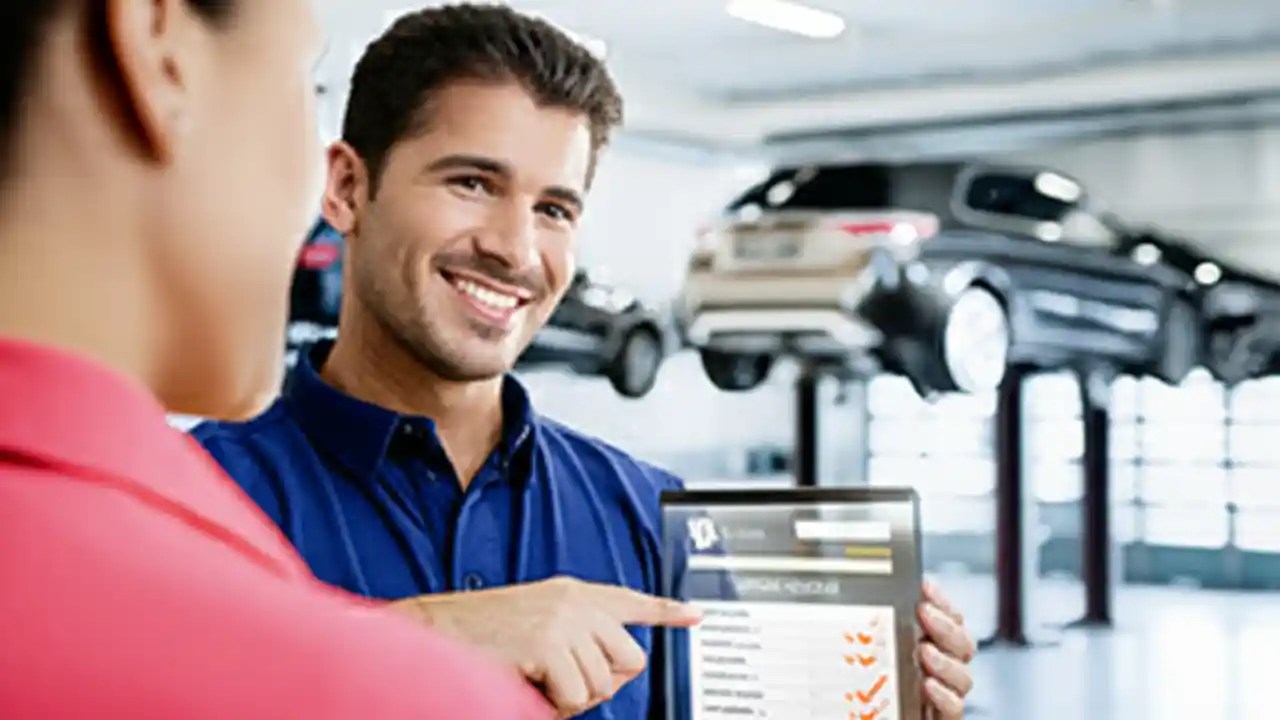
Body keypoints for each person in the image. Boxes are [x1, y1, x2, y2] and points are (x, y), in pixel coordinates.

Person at [193, 4, 979, 719]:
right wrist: (417, 644)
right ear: (347, 187)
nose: (514, 248)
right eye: (472, 182)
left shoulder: (651, 518)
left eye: (553, 209)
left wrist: (887, 704)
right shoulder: (193, 502)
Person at [0, 1, 555, 717]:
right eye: (305, 79)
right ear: (158, 44)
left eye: (555, 209)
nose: (515, 248)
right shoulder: (397, 700)